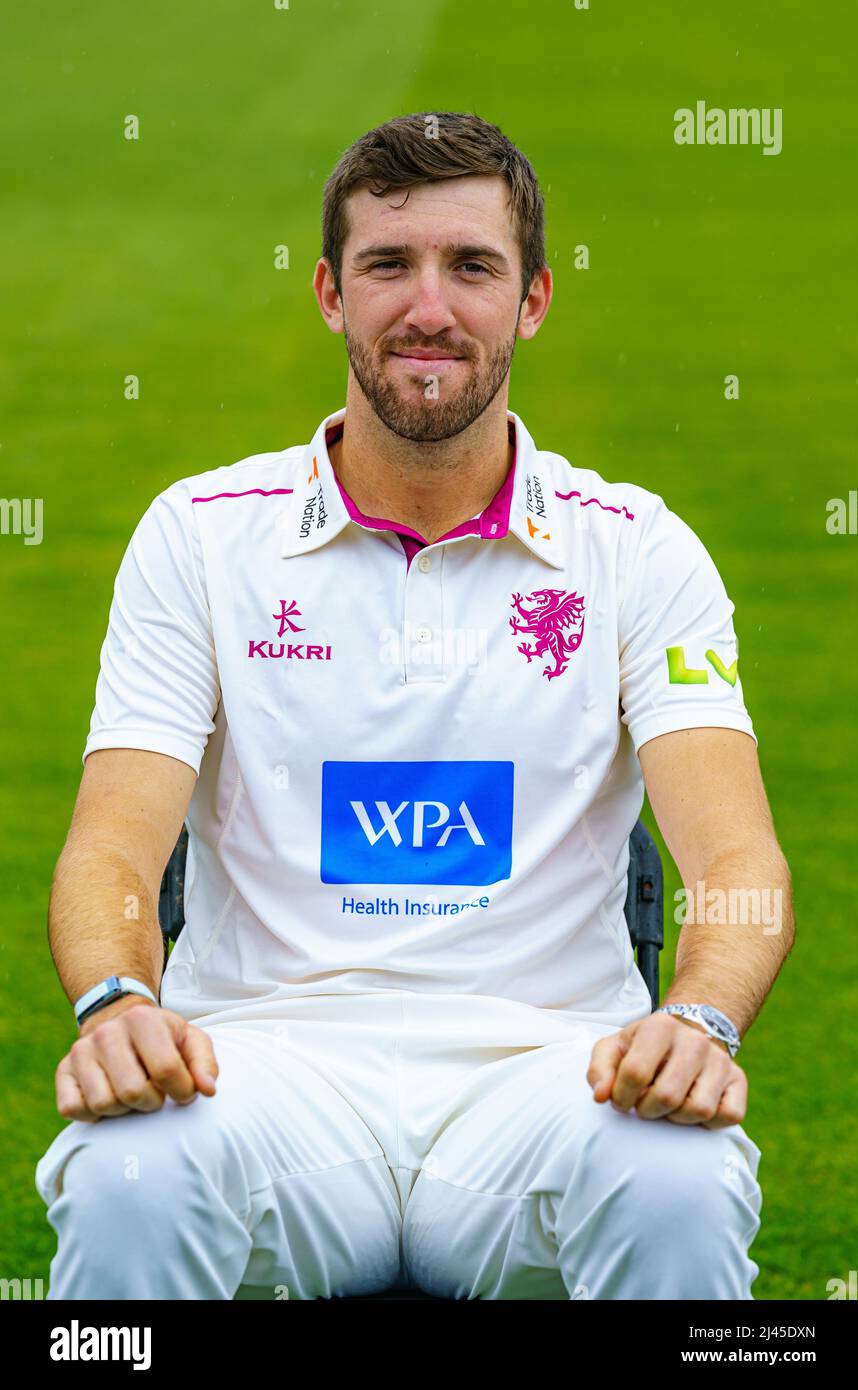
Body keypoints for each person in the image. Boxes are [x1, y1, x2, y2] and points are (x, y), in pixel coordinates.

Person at [35, 111, 794, 1300]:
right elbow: (112, 846)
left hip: (550, 1072)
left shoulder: (637, 550)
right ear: (332, 294)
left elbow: (735, 854)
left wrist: (696, 1018)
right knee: (130, 1171)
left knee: (675, 1179)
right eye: (389, 265)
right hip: (266, 1070)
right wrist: (120, 1001)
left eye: (471, 267)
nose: (427, 308)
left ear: (532, 299)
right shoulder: (199, 534)